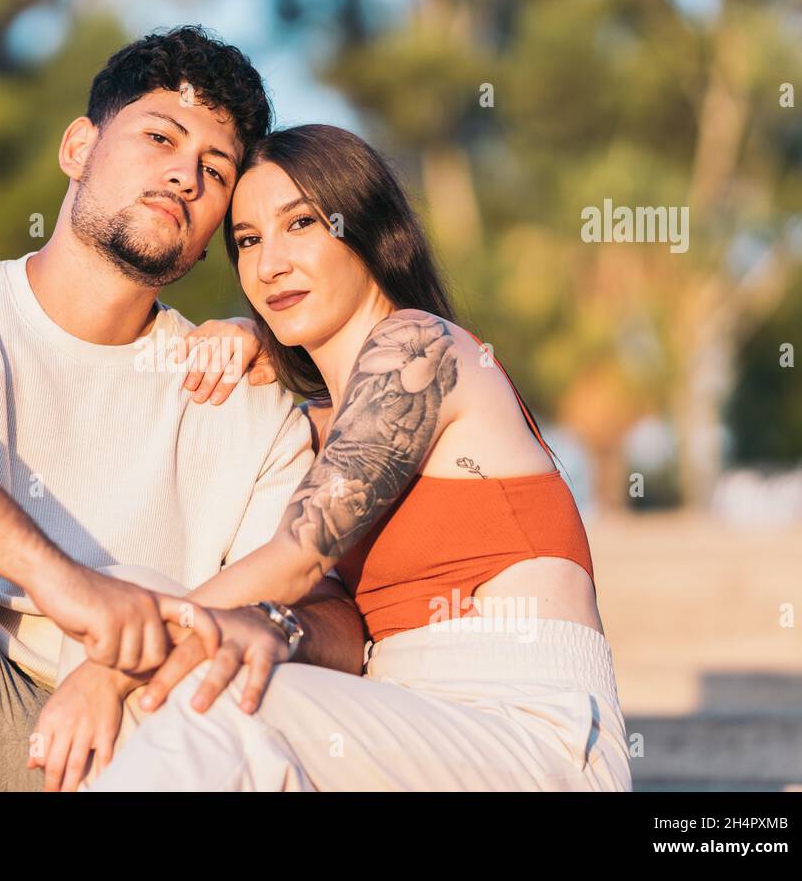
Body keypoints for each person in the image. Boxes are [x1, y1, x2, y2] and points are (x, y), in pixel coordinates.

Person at [0, 26, 369, 792]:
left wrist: (135, 664)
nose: (185, 175)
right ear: (79, 148)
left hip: (134, 746)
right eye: (159, 137)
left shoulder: (243, 403)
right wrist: (54, 576)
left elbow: (329, 619)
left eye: (214, 171)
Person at [80, 123, 633, 791]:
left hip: (530, 731)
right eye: (248, 240)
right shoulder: (311, 430)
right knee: (164, 611)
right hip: (398, 720)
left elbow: (298, 555)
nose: (269, 264)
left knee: (212, 689)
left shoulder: (421, 350)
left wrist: (104, 673)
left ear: (370, 230)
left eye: (302, 224)